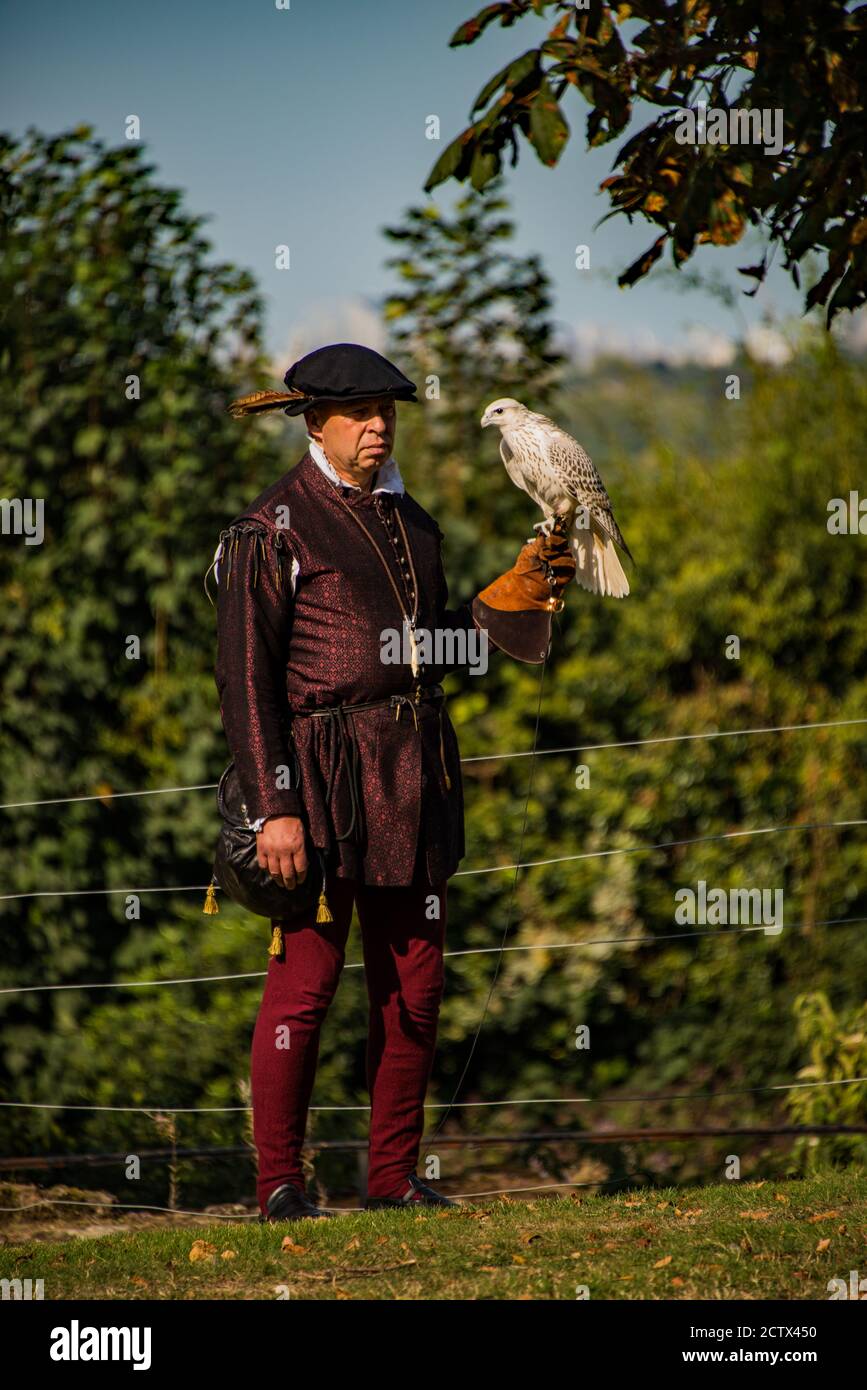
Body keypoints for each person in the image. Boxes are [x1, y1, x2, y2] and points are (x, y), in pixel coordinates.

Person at [210, 343, 575, 1220]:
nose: (379, 428)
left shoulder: (411, 522)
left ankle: (391, 1178)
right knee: (305, 986)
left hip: (412, 772)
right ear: (315, 423)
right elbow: (245, 682)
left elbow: (435, 652)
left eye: (389, 412)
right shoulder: (270, 529)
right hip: (318, 781)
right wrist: (275, 808)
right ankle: (279, 1188)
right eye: (361, 415)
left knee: (415, 981)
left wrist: (506, 603)